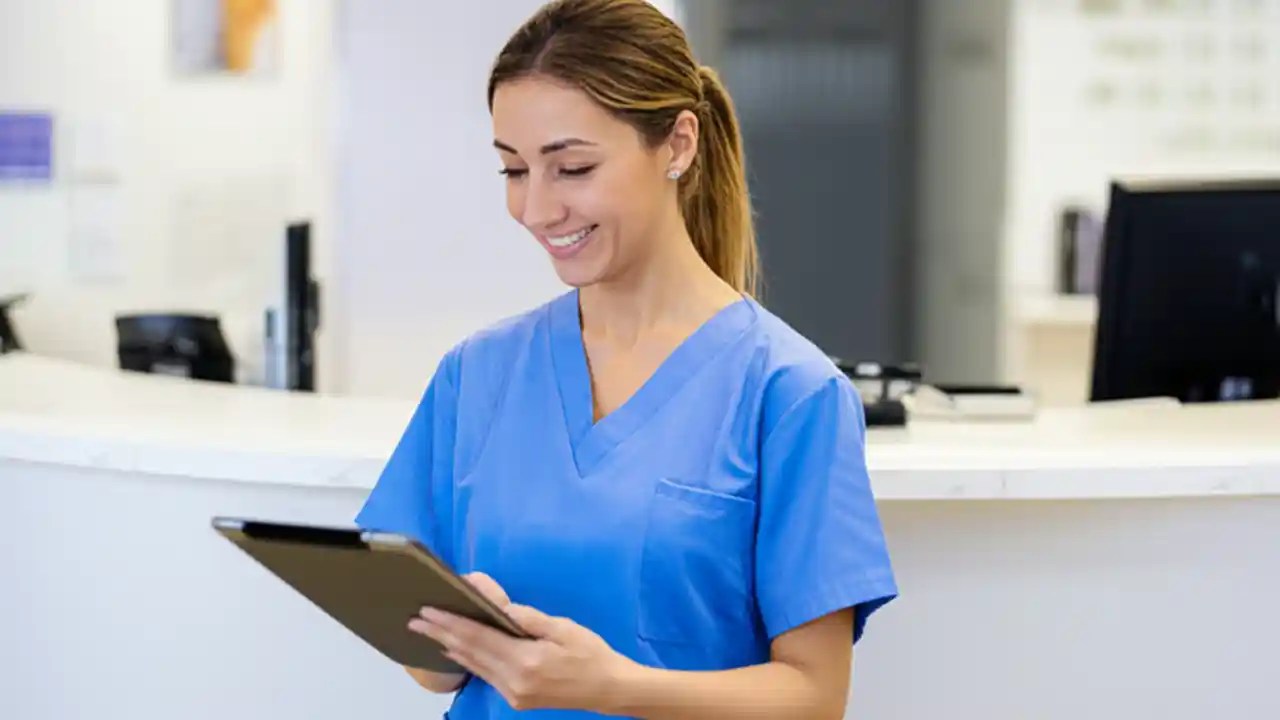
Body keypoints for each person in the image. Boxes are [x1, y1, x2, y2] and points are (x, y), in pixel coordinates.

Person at [354, 0, 898, 717]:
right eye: (514, 170)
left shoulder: (789, 394)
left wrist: (610, 686)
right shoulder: (477, 374)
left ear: (678, 144)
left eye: (573, 167)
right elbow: (429, 670)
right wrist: (460, 636)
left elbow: (815, 697)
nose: (537, 209)